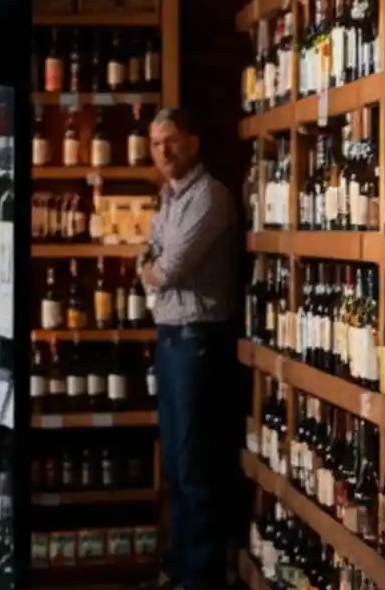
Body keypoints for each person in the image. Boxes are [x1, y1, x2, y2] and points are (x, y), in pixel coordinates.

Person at [140, 106, 240, 590]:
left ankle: (199, 579)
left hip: (198, 343)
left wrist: (153, 267)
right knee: (176, 470)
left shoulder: (210, 196)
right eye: (156, 143)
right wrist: (152, 265)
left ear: (192, 143)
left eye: (171, 140)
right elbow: (148, 256)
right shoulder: (169, 198)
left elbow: (170, 265)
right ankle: (181, 569)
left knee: (195, 467)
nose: (163, 151)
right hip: (172, 340)